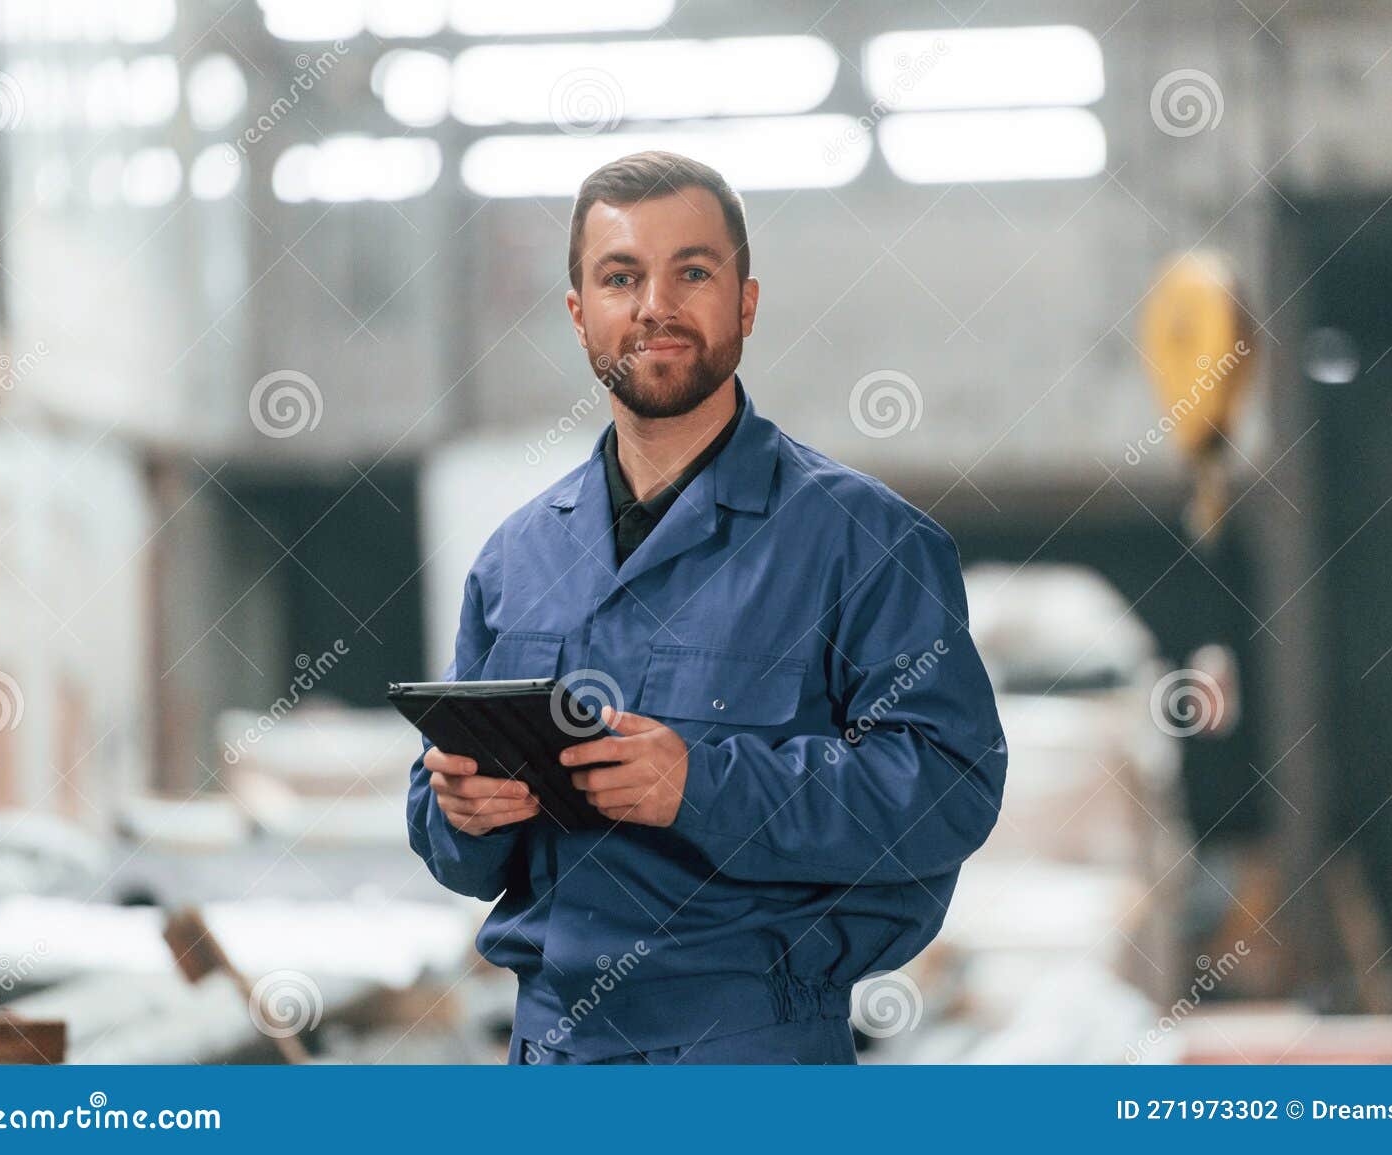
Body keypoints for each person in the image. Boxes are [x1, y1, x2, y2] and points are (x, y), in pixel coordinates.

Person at [406, 150, 1007, 1064]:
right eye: (621, 277)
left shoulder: (863, 542)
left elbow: (949, 787)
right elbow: (455, 837)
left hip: (753, 1054)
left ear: (746, 304)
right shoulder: (516, 559)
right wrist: (461, 812)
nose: (656, 304)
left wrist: (705, 786)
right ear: (580, 315)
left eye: (693, 272)